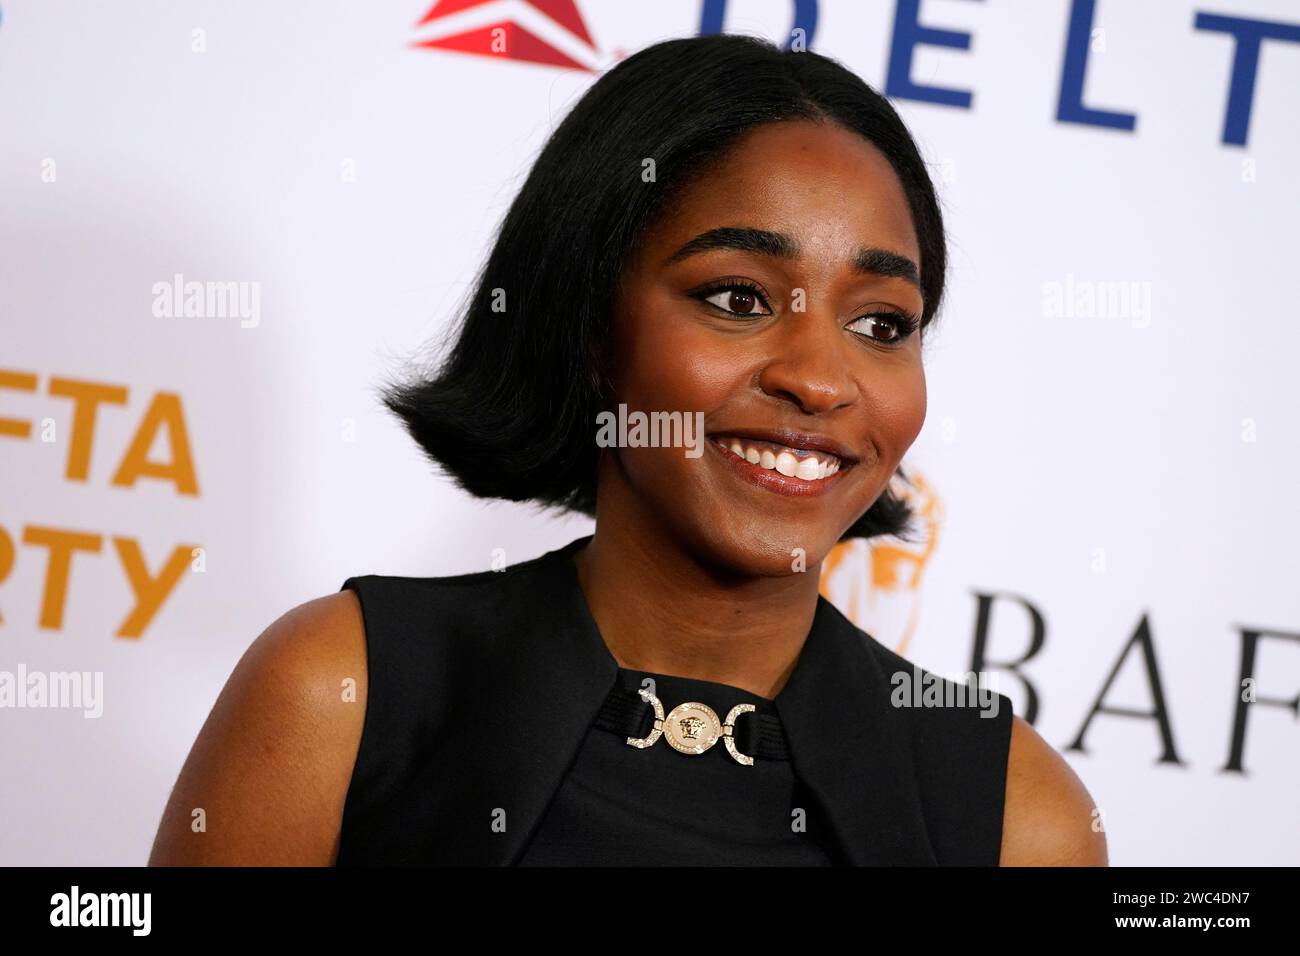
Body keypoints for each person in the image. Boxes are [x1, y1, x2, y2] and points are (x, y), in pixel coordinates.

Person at [149, 33, 1107, 866]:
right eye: (739, 298)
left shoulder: (1017, 816)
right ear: (592, 331)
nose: (820, 381)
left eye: (883, 324)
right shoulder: (340, 695)